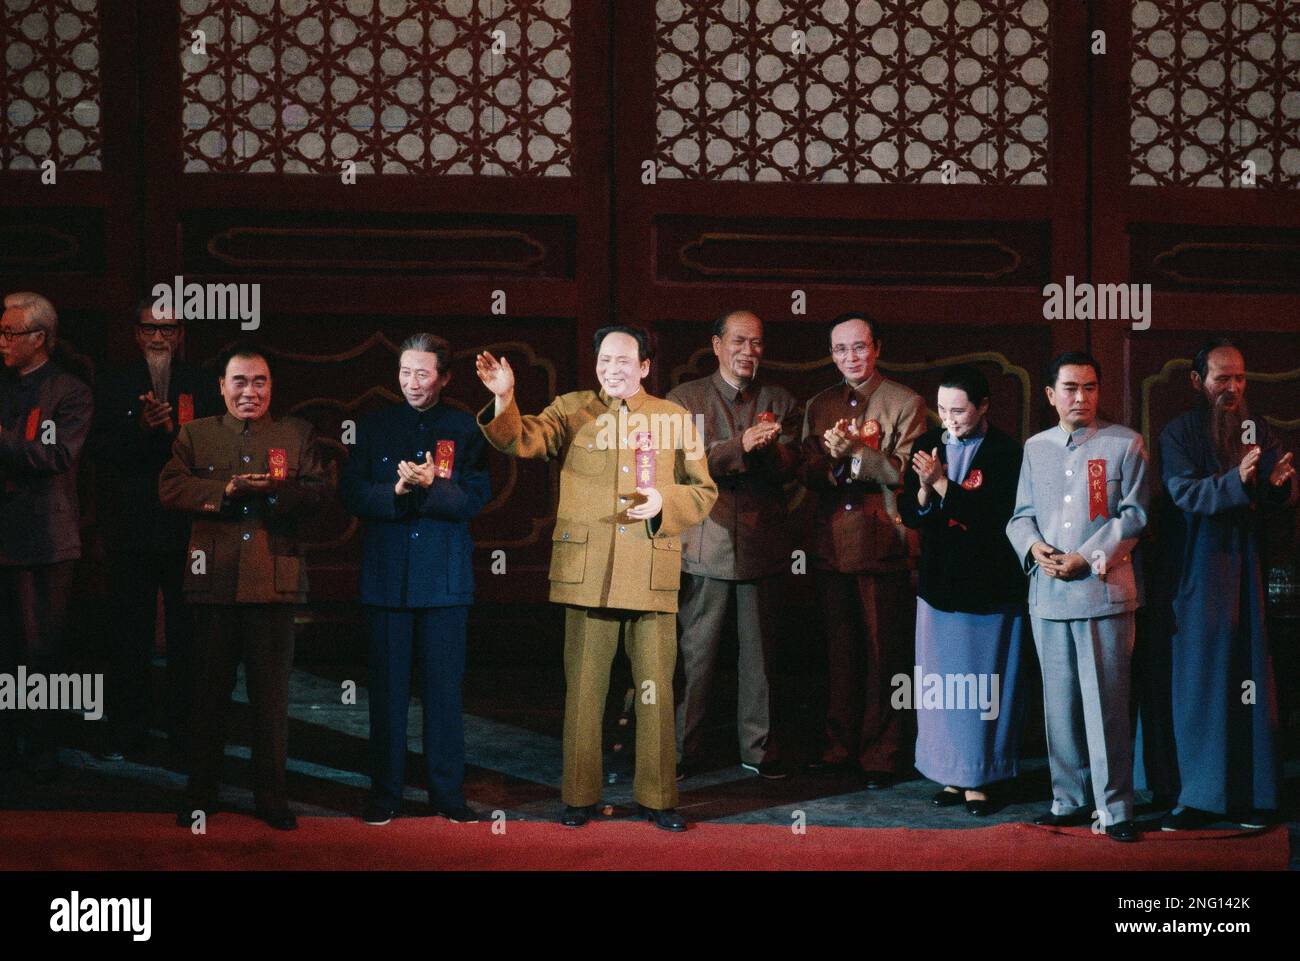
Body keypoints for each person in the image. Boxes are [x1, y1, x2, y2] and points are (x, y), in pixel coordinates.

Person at [475, 326, 717, 831]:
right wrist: (505, 399)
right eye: (606, 359)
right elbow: (524, 440)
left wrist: (662, 503)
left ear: (646, 366)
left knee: (655, 690)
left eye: (625, 360)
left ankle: (657, 798)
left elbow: (703, 490)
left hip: (650, 568)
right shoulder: (573, 408)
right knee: (584, 689)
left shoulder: (672, 418)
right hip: (587, 572)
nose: (614, 368)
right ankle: (579, 795)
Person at [159, 344, 330, 830]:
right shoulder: (195, 435)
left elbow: (320, 493)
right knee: (206, 696)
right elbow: (170, 488)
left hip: (275, 584)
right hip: (212, 583)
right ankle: (201, 792)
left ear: (271, 387)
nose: (250, 392)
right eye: (240, 381)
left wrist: (275, 492)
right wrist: (226, 492)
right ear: (221, 386)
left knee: (270, 700)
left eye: (259, 382)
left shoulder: (295, 434)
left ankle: (271, 797)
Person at [1139, 338, 1296, 830]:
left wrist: (1276, 488)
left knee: (1249, 682)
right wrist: (1237, 481)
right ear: (1197, 382)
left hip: (1246, 574)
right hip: (1196, 571)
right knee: (1201, 683)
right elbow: (1183, 492)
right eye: (1221, 378)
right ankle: (1198, 797)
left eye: (1240, 378)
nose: (1232, 388)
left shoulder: (1257, 430)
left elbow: (1275, 501)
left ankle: (1253, 795)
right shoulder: (1179, 432)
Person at [340, 333, 491, 826]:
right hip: (387, 581)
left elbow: (473, 499)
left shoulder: (465, 429)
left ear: (445, 377)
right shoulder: (373, 426)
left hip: (445, 581)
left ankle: (447, 796)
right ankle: (385, 793)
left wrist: (435, 488)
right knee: (386, 694)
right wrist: (398, 488)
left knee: (445, 695)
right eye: (405, 372)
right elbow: (354, 495)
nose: (412, 383)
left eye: (423, 373)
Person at [1006, 351, 1149, 842]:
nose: (1081, 398)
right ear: (1050, 395)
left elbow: (1132, 517)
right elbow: (1019, 515)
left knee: (1106, 704)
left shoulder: (1125, 444)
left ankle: (1116, 809)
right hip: (1047, 595)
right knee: (1059, 706)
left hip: (1103, 594)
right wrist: (1035, 547)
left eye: (1089, 387)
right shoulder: (1035, 447)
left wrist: (1085, 558)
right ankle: (1067, 800)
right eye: (1070, 388)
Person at [665, 310, 799, 780]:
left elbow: (792, 468)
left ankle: (759, 751)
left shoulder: (779, 399)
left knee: (760, 660)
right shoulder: (684, 398)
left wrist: (772, 450)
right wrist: (741, 444)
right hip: (705, 544)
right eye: (739, 342)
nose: (749, 352)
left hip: (763, 544)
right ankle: (681, 750)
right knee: (695, 657)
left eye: (757, 343)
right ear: (717, 344)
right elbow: (683, 464)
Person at [798, 312, 926, 786]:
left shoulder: (904, 401)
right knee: (840, 655)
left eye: (859, 347)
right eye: (840, 350)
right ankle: (839, 748)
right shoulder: (821, 402)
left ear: (877, 348)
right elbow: (807, 474)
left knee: (884, 655)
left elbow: (905, 474)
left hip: (884, 542)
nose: (850, 357)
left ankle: (884, 753)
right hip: (833, 542)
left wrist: (855, 450)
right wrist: (830, 458)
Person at [89, 299, 220, 759]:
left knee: (189, 636)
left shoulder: (202, 383)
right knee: (130, 633)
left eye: (168, 328)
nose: (159, 337)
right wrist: (138, 428)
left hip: (188, 528)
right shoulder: (114, 382)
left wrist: (172, 435)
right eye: (150, 329)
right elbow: (97, 451)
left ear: (181, 333)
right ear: (136, 334)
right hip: (131, 527)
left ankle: (185, 733)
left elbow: (212, 452)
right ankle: (129, 731)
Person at [899, 365, 1028, 815]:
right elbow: (910, 513)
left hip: (989, 587)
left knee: (983, 685)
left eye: (959, 410)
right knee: (944, 687)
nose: (949, 419)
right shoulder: (925, 444)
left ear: (984, 406)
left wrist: (939, 483)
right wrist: (921, 490)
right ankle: (951, 775)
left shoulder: (1006, 452)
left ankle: (982, 778)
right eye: (942, 409)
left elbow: (992, 518)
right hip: (939, 586)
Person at [0, 292, 93, 783]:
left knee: (41, 653)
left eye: (11, 333)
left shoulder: (68, 391)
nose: (3, 342)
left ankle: (41, 750)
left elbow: (51, 456)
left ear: (40, 339)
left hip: (44, 540)